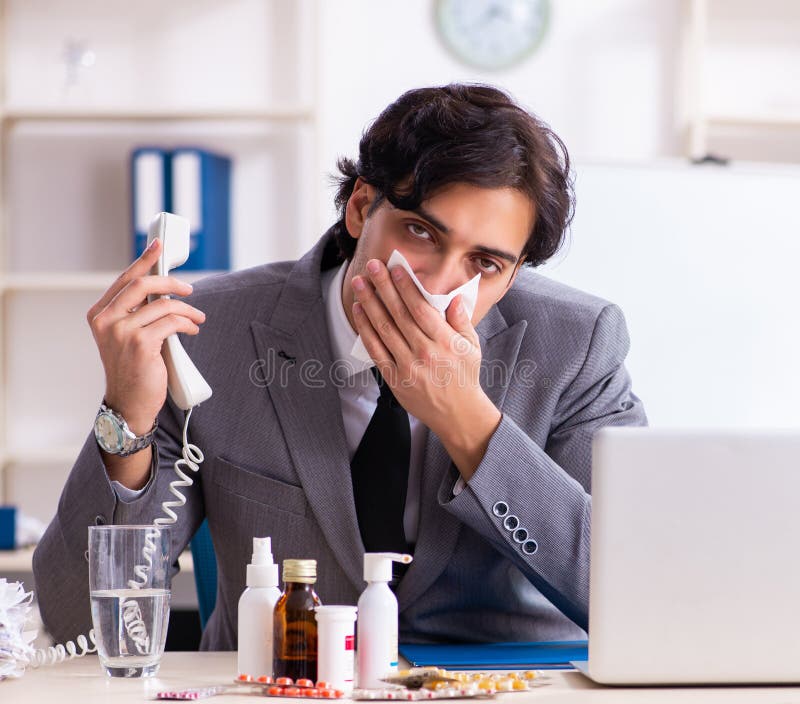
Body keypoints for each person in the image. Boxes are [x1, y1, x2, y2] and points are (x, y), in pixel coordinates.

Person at [34, 84, 646, 649]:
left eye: (484, 264)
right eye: (421, 232)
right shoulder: (207, 332)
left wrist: (469, 425)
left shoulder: (577, 346)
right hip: (283, 695)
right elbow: (72, 623)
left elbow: (635, 596)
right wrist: (127, 418)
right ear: (359, 209)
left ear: (514, 273)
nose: (437, 284)